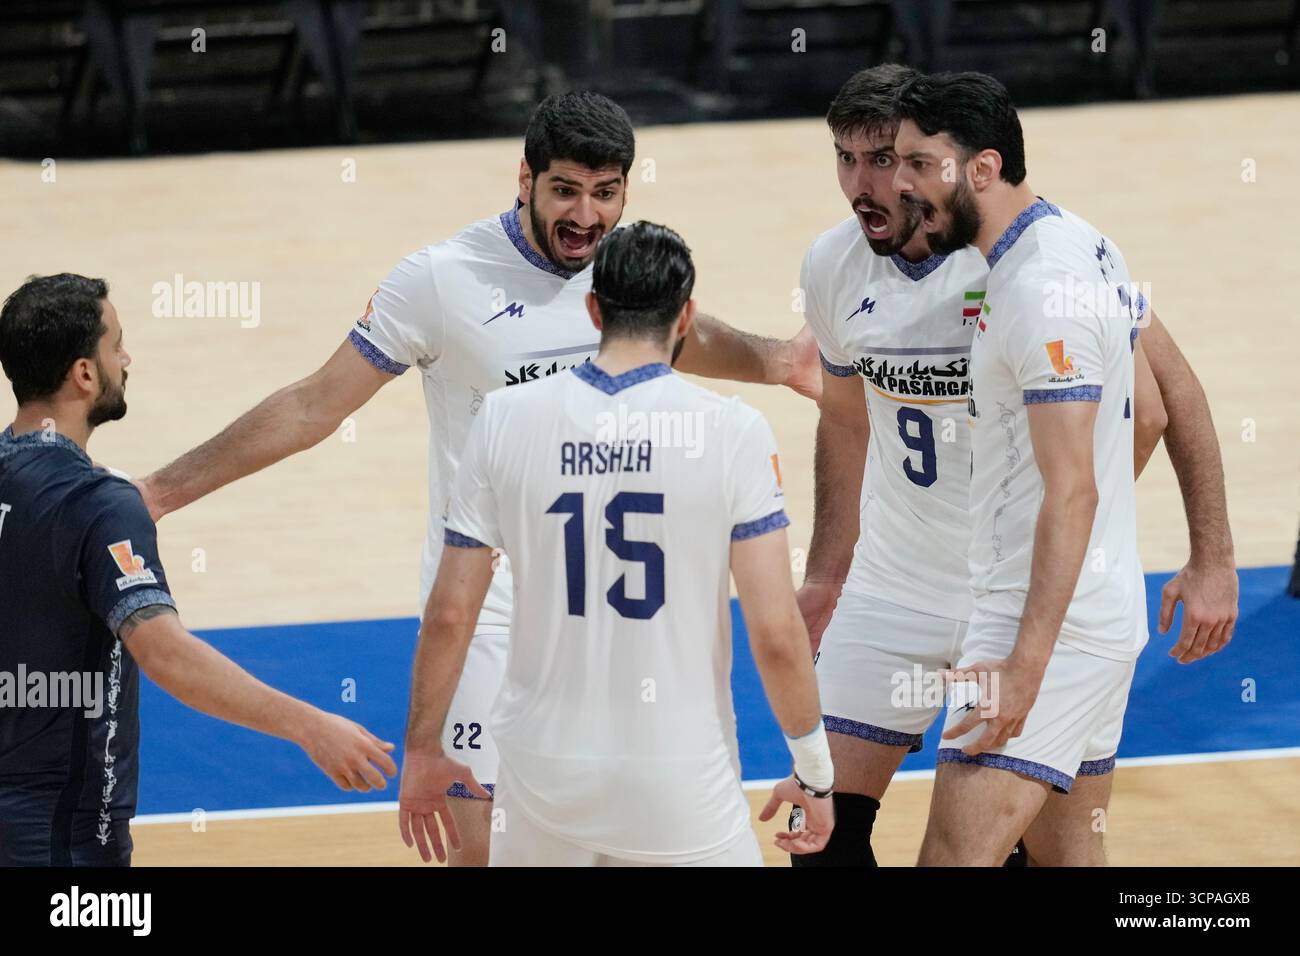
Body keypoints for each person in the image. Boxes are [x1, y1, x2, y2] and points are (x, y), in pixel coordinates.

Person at [133, 91, 818, 866]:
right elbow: (313, 406)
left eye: (605, 194)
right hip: (483, 609)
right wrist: (159, 491)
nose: (585, 217)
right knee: (482, 853)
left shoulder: (617, 273)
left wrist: (778, 363)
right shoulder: (441, 280)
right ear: (523, 179)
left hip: (595, 610)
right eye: (565, 189)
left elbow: (678, 334)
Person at [782, 64, 1236, 866]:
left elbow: (1158, 413)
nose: (870, 184)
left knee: (974, 852)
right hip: (905, 587)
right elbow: (845, 417)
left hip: (1035, 604)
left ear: (967, 167)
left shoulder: (1035, 274)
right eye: (846, 159)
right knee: (824, 826)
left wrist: (1190, 553)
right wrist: (829, 569)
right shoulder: (843, 264)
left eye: (897, 161)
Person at [398, 222, 834, 866]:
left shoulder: (504, 418)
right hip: (677, 774)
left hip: (541, 770)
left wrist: (422, 750)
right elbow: (775, 634)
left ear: (594, 308)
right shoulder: (731, 430)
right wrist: (815, 772)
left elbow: (451, 612)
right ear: (686, 316)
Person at [0, 274, 397, 867]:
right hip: (63, 839)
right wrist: (309, 725)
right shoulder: (98, 505)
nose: (126, 358)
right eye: (116, 346)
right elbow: (167, 655)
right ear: (85, 373)